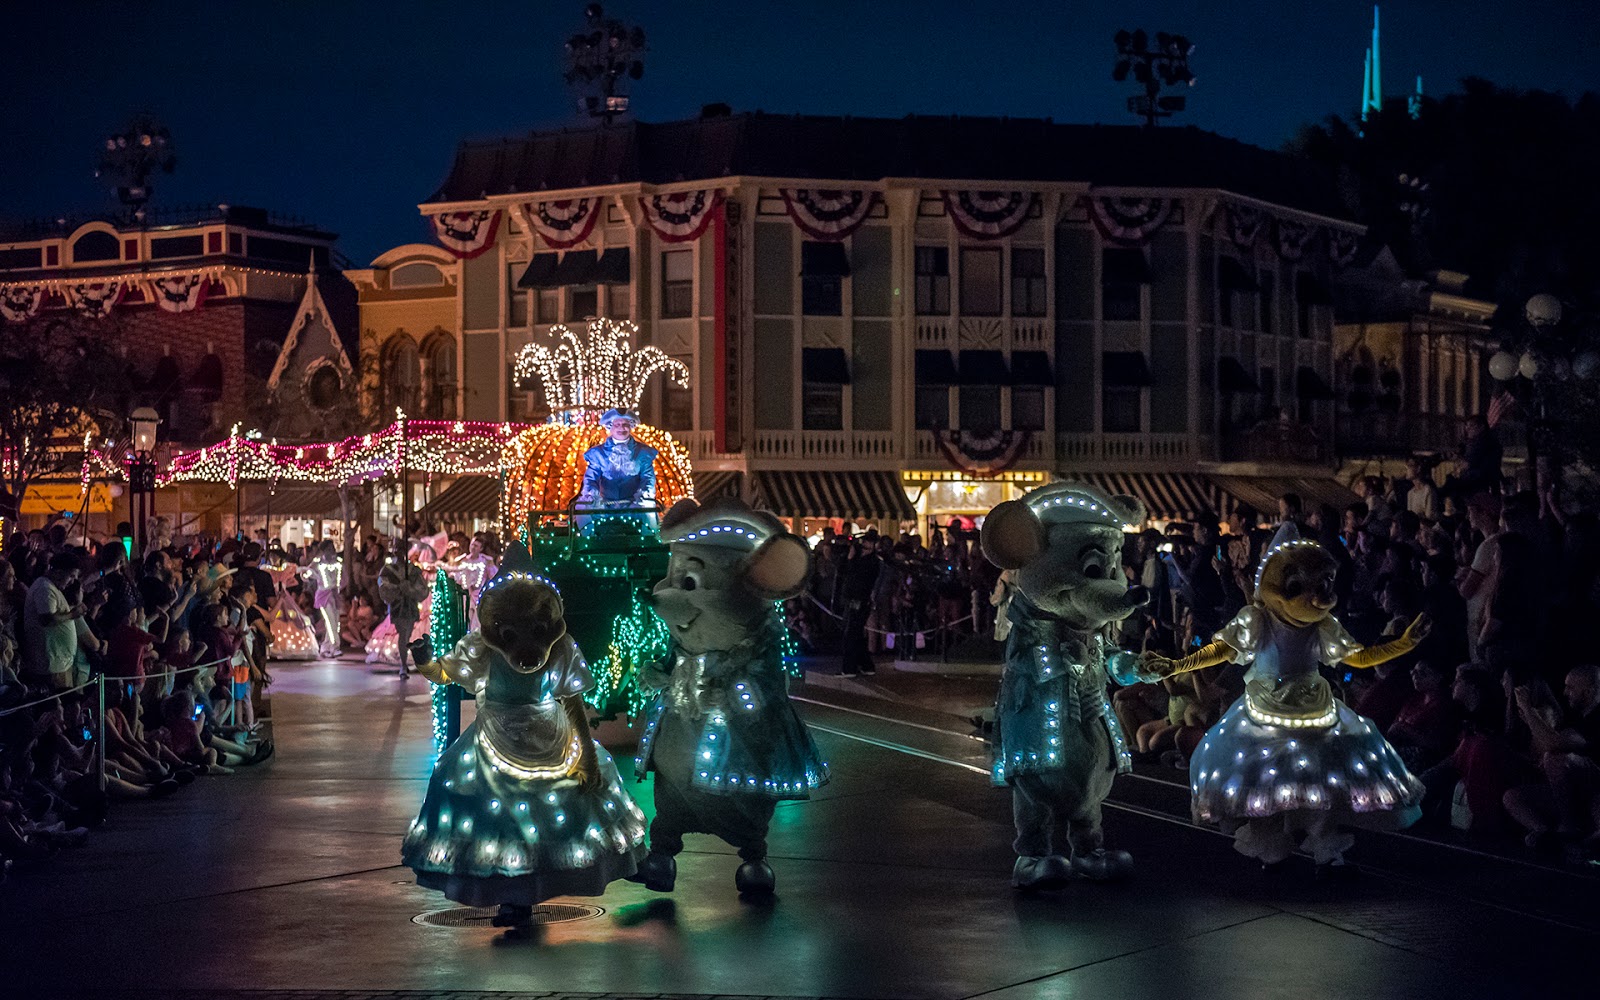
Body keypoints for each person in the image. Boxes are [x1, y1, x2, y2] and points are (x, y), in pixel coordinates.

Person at [1145, 524, 1431, 874]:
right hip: (1264, 712)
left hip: (1315, 710)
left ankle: (1324, 843)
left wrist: (1403, 643)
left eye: (1324, 585)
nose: (1317, 597)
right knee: (1263, 781)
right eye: (1298, 587)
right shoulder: (1257, 620)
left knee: (1322, 779)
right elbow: (1221, 650)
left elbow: (1359, 657)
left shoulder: (1323, 626)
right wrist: (1178, 664)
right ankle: (1270, 845)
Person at [402, 573, 647, 929]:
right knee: (495, 813)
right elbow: (447, 674)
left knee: (563, 805)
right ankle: (513, 897)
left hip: (552, 737)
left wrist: (588, 755)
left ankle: (543, 887)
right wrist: (426, 661)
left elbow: (572, 701)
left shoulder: (561, 648)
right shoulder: (481, 649)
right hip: (493, 739)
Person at [1502, 664, 1600, 856]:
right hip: (1573, 792)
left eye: (1571, 687)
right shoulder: (1578, 717)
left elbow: (1551, 745)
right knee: (1512, 797)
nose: (1565, 693)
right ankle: (1546, 834)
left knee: (1555, 760)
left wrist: (1529, 711)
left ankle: (1568, 826)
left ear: (1588, 690)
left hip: (1594, 787)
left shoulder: (1596, 719)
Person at [577, 408, 658, 530]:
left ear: (631, 427)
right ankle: (590, 542)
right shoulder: (598, 453)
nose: (621, 428)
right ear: (610, 427)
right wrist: (592, 495)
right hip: (605, 506)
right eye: (617, 425)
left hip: (634, 505)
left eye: (625, 425)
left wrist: (643, 495)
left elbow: (648, 478)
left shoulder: (643, 453)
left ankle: (649, 541)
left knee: (649, 509)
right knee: (582, 508)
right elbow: (590, 479)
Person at [21, 553, 84, 691]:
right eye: (71, 576)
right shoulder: (45, 588)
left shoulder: (51, 587)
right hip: (51, 665)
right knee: (58, 707)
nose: (72, 582)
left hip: (58, 663)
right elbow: (47, 619)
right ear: (59, 572)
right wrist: (73, 614)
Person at [374, 549, 428, 677]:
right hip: (397, 606)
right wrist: (398, 589)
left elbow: (422, 587)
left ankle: (404, 663)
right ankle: (403, 665)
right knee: (403, 634)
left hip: (410, 605)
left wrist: (410, 589)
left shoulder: (413, 569)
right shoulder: (388, 569)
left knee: (407, 634)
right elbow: (384, 587)